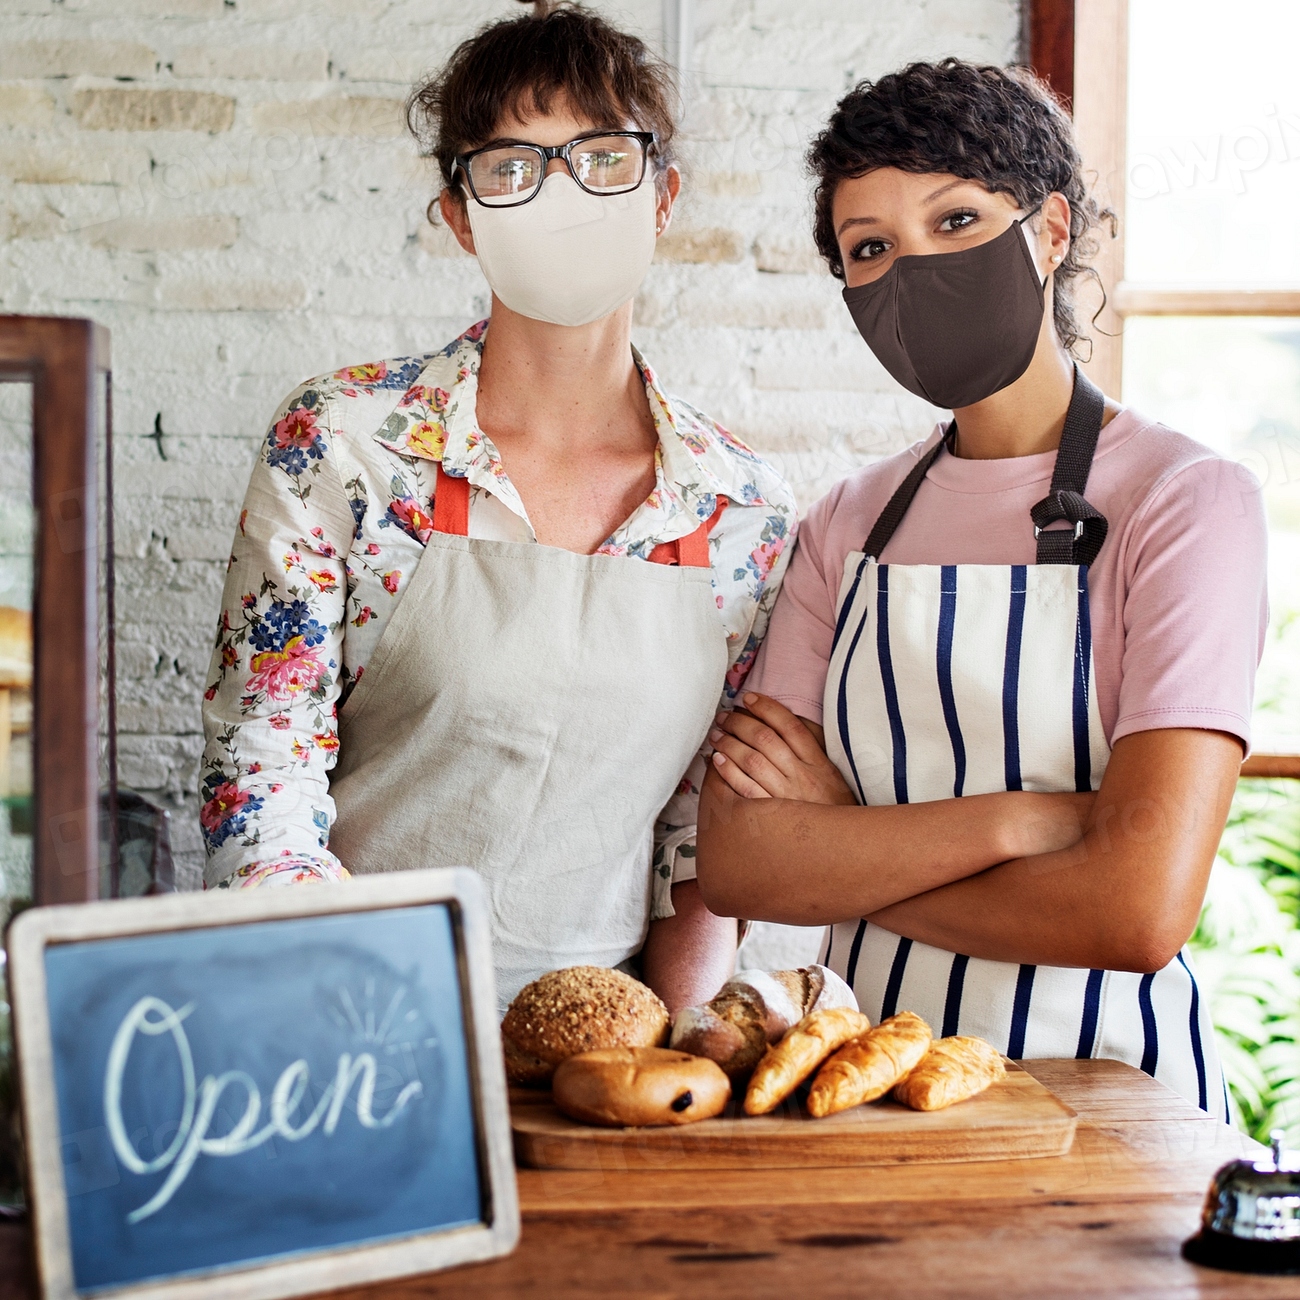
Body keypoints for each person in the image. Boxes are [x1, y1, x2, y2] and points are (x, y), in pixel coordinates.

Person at [696, 59, 1267, 1118]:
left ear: (1049, 234)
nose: (913, 268)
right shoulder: (848, 519)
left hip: (1110, 1101)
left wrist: (852, 845)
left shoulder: (1185, 502)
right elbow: (743, 862)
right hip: (868, 1090)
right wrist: (1020, 822)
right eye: (871, 248)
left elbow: (1135, 913)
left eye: (954, 221)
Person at [199, 4, 796, 1012]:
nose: (560, 198)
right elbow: (263, 770)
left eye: (603, 159)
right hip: (339, 1011)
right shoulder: (345, 445)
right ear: (461, 216)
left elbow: (698, 838)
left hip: (601, 1046)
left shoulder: (743, 512)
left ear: (662, 197)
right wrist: (352, 1020)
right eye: (511, 167)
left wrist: (684, 1043)